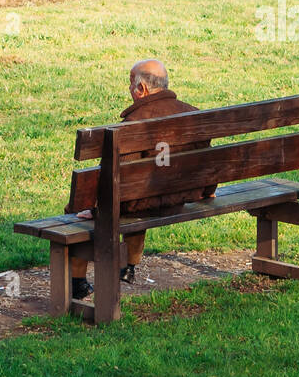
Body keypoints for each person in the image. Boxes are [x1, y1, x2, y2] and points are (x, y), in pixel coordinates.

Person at [67, 59, 216, 299]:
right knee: (142, 195)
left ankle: (77, 282)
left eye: (130, 83)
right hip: (181, 196)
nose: (129, 89)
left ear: (142, 89)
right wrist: (207, 191)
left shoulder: (134, 124)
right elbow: (207, 161)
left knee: (80, 218)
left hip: (144, 201)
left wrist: (93, 209)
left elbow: (121, 183)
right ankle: (128, 267)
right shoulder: (193, 113)